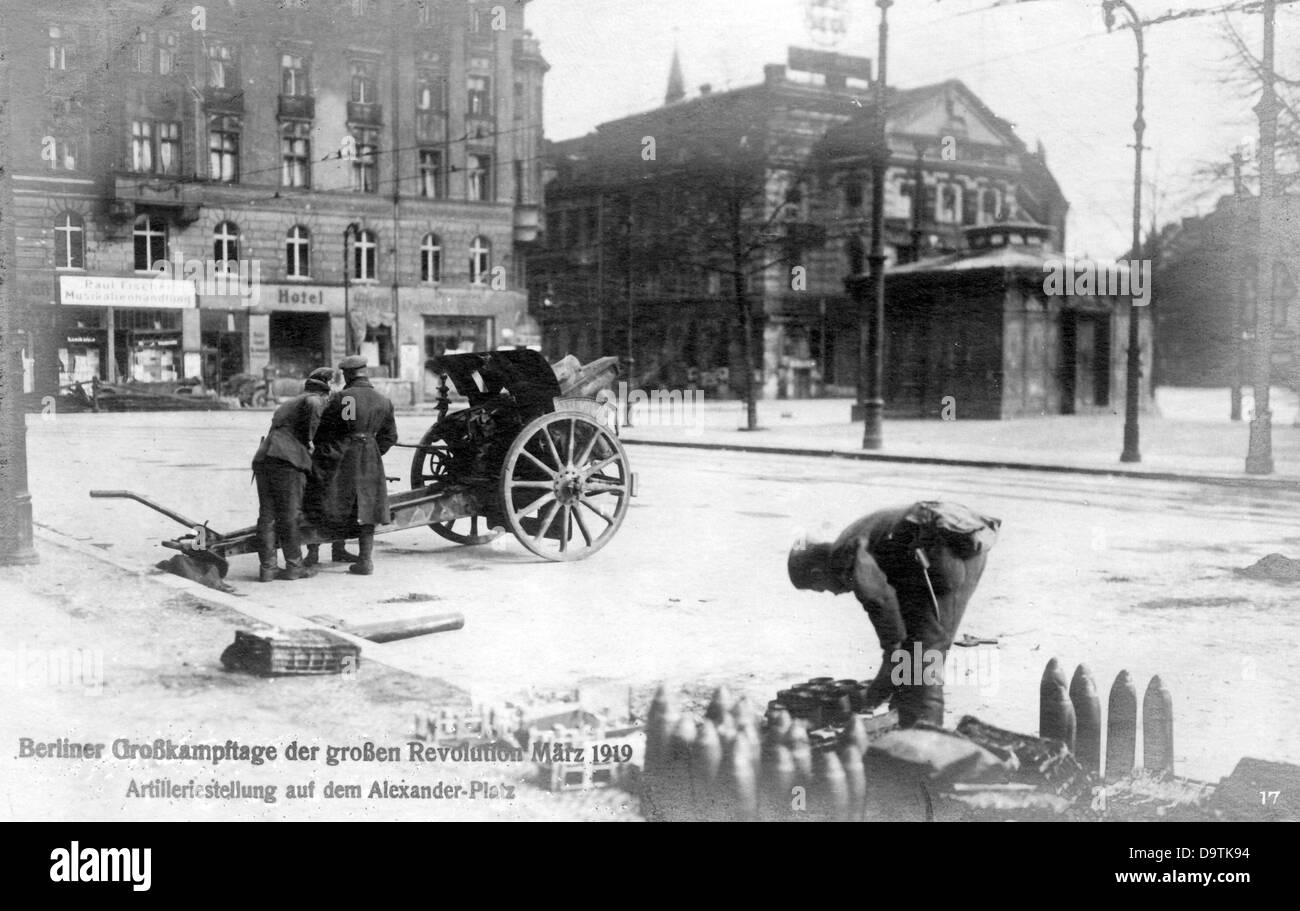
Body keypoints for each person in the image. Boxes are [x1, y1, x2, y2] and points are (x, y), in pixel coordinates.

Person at [788, 501, 1000, 728]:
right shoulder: (854, 540)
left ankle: (923, 737)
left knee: (923, 659)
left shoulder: (844, 555)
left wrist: (889, 657)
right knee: (925, 650)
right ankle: (909, 714)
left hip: (941, 545)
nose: (832, 593)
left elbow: (880, 600)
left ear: (817, 573)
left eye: (821, 588)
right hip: (965, 540)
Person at [307, 355, 398, 575]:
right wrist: (374, 451)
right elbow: (391, 436)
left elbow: (324, 431)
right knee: (367, 505)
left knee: (327, 498)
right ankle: (365, 560)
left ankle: (313, 553)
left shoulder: (343, 398)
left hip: (343, 456)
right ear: (365, 372)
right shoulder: (383, 400)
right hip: (370, 457)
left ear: (348, 374)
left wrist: (329, 450)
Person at [251, 369, 332, 582]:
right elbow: (314, 414)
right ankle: (295, 566)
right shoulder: (315, 400)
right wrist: (311, 442)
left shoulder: (289, 403)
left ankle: (268, 568)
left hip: (264, 457)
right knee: (289, 515)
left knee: (267, 515)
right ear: (324, 390)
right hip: (286, 461)